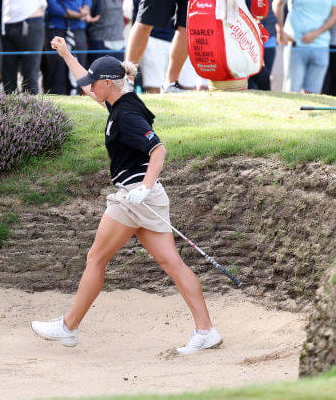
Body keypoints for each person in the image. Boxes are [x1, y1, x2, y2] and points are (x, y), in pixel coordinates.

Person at [31, 39, 221, 355]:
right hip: (143, 198)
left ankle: (68, 328)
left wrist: (144, 188)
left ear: (108, 83)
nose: (90, 87)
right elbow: (85, 86)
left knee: (96, 257)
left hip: (136, 197)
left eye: (96, 82)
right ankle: (207, 330)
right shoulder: (120, 102)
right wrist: (66, 55)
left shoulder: (127, 115)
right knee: (171, 262)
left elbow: (158, 151)